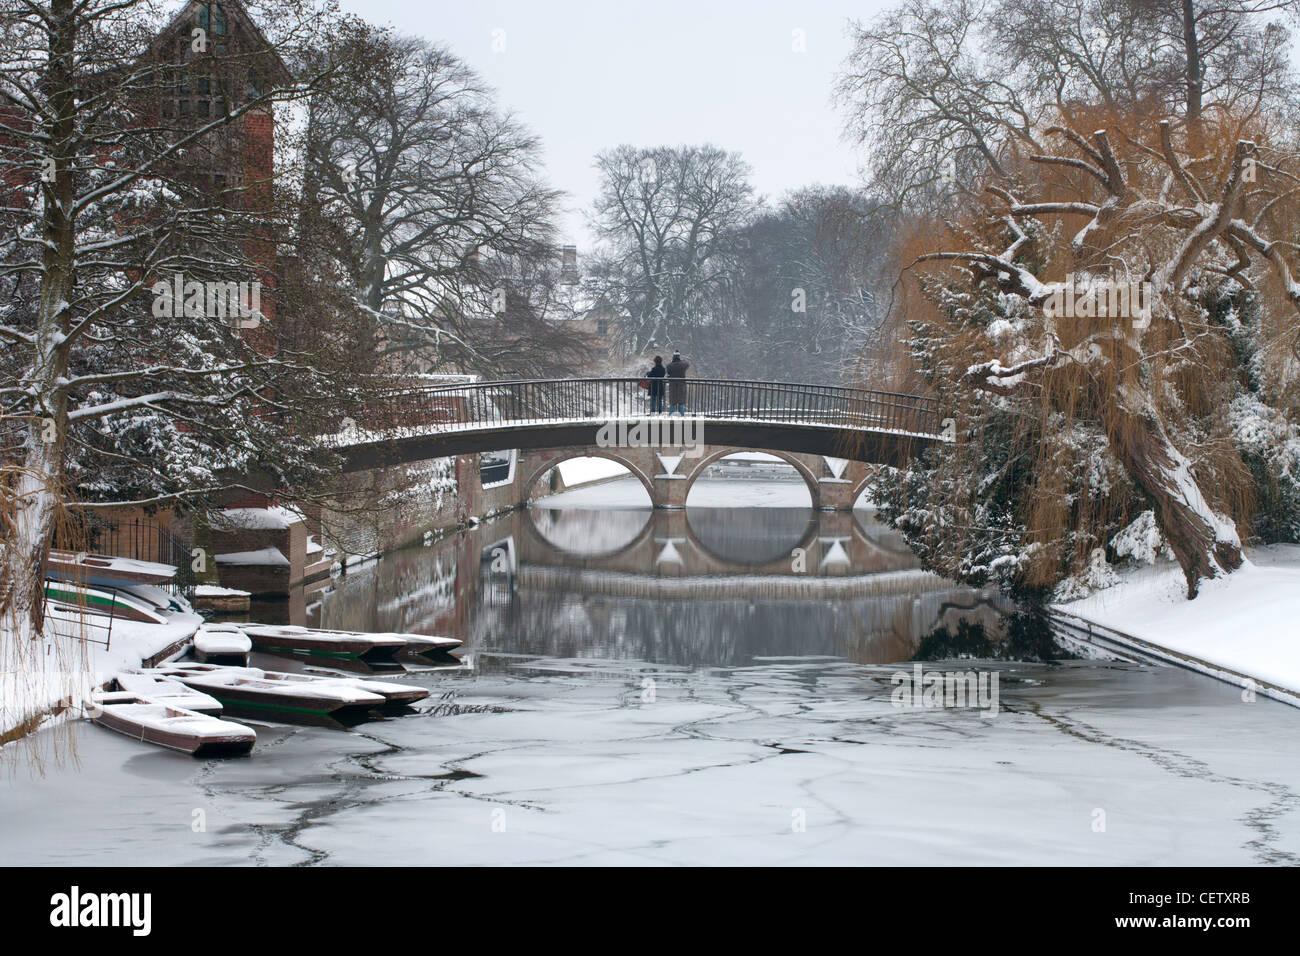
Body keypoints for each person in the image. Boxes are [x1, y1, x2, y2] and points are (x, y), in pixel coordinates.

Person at [666, 350, 690, 415]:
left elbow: (668, 371)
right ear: (679, 356)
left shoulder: (669, 365)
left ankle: (670, 415)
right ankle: (682, 415)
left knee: (672, 401)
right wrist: (683, 360)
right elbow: (687, 364)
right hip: (681, 384)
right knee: (681, 401)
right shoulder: (683, 364)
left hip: (672, 385)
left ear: (673, 357)